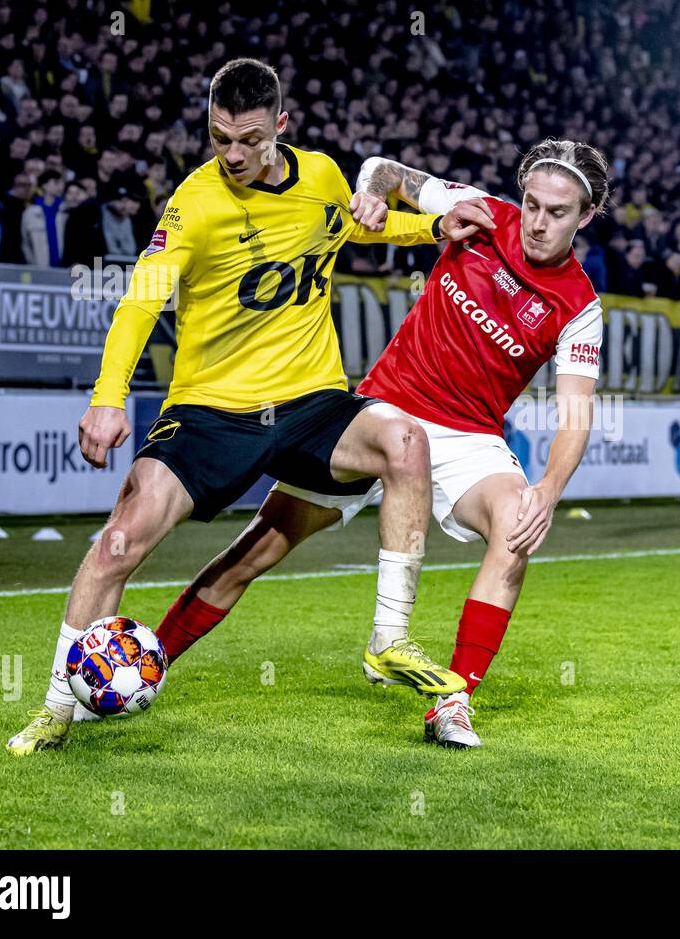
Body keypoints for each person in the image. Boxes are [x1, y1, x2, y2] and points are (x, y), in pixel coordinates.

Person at [6, 57, 490, 756]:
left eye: (248, 139)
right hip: (210, 410)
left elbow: (354, 230)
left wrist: (430, 231)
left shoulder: (323, 175)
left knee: (405, 443)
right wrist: (107, 399)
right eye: (219, 137)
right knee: (117, 544)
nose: (232, 154)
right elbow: (142, 300)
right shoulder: (194, 203)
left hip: (310, 399)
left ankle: (389, 639)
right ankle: (55, 710)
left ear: (281, 127)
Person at [146, 138, 608, 750]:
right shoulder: (476, 212)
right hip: (382, 412)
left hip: (468, 437)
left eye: (558, 212)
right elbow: (387, 171)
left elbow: (575, 407)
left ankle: (453, 701)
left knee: (516, 523)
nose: (539, 223)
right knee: (256, 550)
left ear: (587, 217)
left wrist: (548, 491)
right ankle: (147, 668)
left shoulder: (579, 306)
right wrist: (366, 191)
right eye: (531, 204)